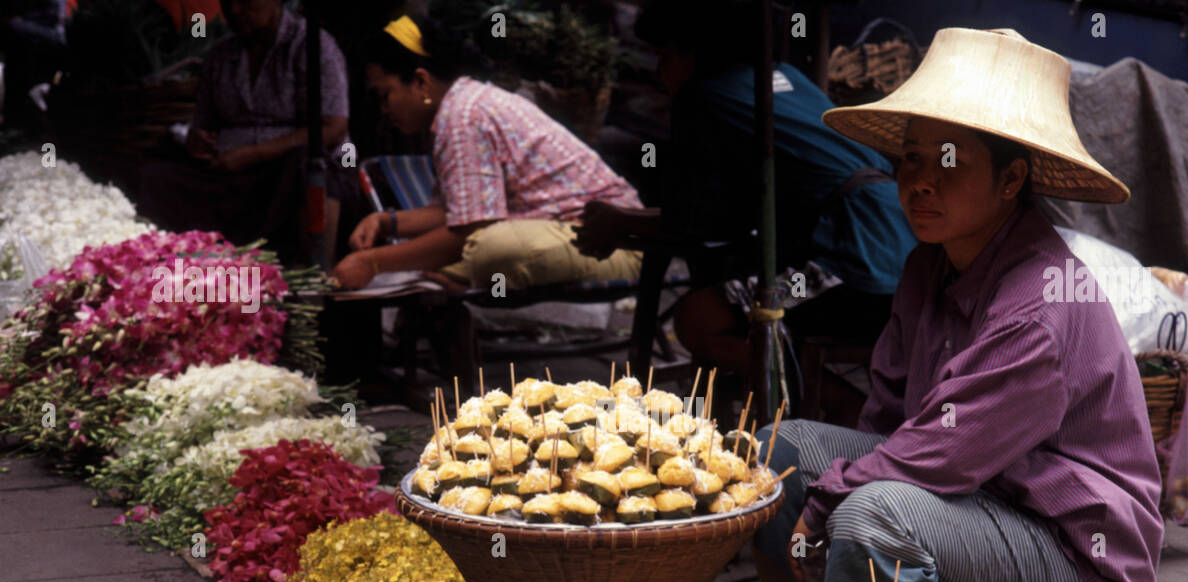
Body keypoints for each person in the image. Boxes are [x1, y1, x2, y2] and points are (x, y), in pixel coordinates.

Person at [753, 28, 1164, 582]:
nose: (920, 181)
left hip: (1070, 557)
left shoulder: (1039, 306)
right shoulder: (929, 266)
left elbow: (942, 453)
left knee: (871, 517)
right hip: (969, 502)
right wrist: (827, 491)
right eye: (911, 158)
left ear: (1010, 180)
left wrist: (832, 499)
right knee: (772, 455)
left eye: (948, 161)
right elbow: (892, 426)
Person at [573, 0, 916, 423]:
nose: (659, 72)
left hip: (851, 258)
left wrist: (620, 220)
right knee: (734, 301)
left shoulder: (701, 98)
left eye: (664, 56)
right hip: (901, 241)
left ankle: (856, 411)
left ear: (692, 52)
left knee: (698, 319)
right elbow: (732, 215)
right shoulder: (785, 77)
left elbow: (696, 223)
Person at [333, 15, 643, 292]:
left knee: (485, 249)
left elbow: (467, 231)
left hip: (611, 243)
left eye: (385, 95)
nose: (384, 110)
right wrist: (386, 222)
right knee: (457, 256)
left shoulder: (464, 116)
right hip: (574, 235)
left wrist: (372, 262)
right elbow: (458, 211)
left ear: (420, 81)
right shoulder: (460, 107)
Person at [136, 0, 354, 265]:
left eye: (245, 2)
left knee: (305, 167)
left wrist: (253, 154)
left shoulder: (312, 45)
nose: (236, 11)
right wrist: (198, 141)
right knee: (156, 177)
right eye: (229, 4)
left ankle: (312, 275)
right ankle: (190, 267)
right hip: (230, 175)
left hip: (285, 171)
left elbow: (333, 126)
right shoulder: (221, 55)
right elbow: (203, 125)